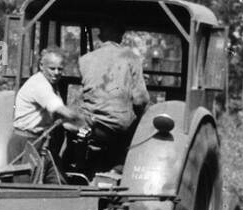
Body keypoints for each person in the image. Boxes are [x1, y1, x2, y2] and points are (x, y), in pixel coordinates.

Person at [77, 22, 150, 168]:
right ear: (121, 37)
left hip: (91, 123)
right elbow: (140, 100)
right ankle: (121, 167)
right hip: (119, 126)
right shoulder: (132, 58)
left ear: (100, 37)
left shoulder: (84, 59)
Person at [13, 48, 86, 178]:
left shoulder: (52, 85)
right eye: (52, 68)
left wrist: (78, 129)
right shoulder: (39, 85)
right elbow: (60, 110)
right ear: (42, 66)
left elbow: (58, 120)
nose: (56, 73)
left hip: (43, 143)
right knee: (26, 188)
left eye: (60, 69)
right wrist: (82, 120)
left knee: (57, 182)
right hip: (26, 143)